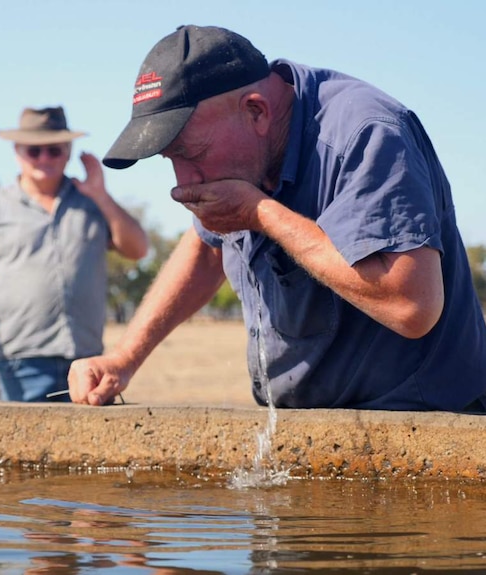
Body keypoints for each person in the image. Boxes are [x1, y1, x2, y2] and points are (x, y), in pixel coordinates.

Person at [68, 25, 486, 412]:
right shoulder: (239, 157)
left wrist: (261, 213)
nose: (183, 183)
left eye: (190, 155)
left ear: (257, 112)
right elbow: (207, 247)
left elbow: (412, 307)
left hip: (422, 427)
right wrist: (124, 358)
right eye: (169, 160)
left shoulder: (366, 134)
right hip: (310, 429)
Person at [0, 106, 148, 402]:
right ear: (17, 152)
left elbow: (138, 249)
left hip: (87, 362)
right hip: (21, 364)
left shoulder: (92, 203)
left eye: (54, 150)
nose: (44, 159)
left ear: (68, 152)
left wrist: (102, 195)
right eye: (34, 151)